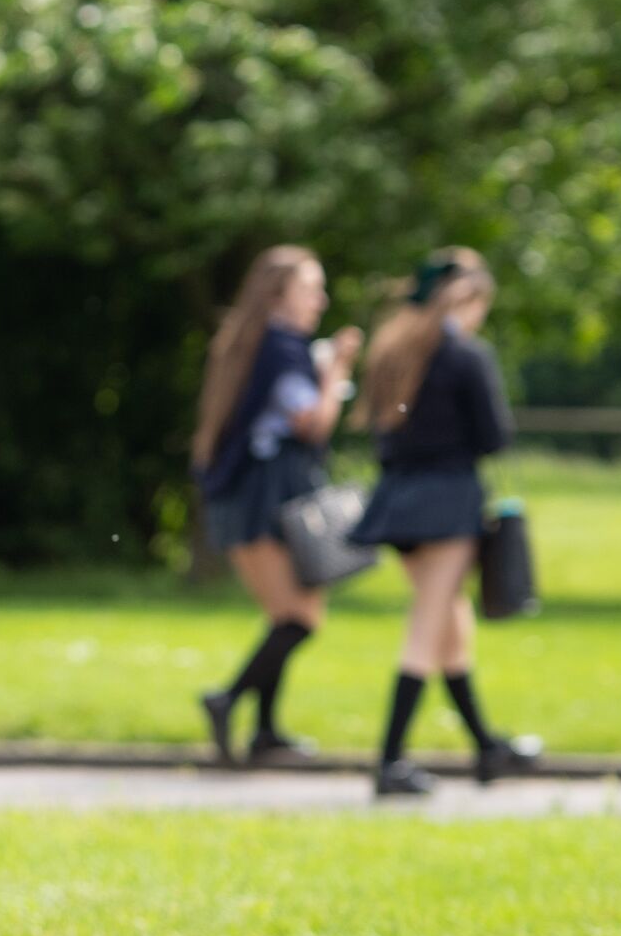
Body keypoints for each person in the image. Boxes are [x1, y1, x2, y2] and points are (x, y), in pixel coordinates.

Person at [349, 247, 541, 798]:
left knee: (452, 626)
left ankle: (486, 747)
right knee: (429, 625)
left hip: (398, 500)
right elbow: (494, 437)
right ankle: (389, 760)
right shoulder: (465, 354)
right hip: (447, 503)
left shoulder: (394, 348)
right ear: (469, 300)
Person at [191, 246, 361, 765]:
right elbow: (312, 421)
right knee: (300, 616)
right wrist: (338, 371)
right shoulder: (281, 349)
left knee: (284, 614)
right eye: (311, 288)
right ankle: (227, 699)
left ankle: (265, 731)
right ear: (277, 294)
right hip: (263, 497)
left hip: (251, 494)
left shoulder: (256, 345)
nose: (321, 299)